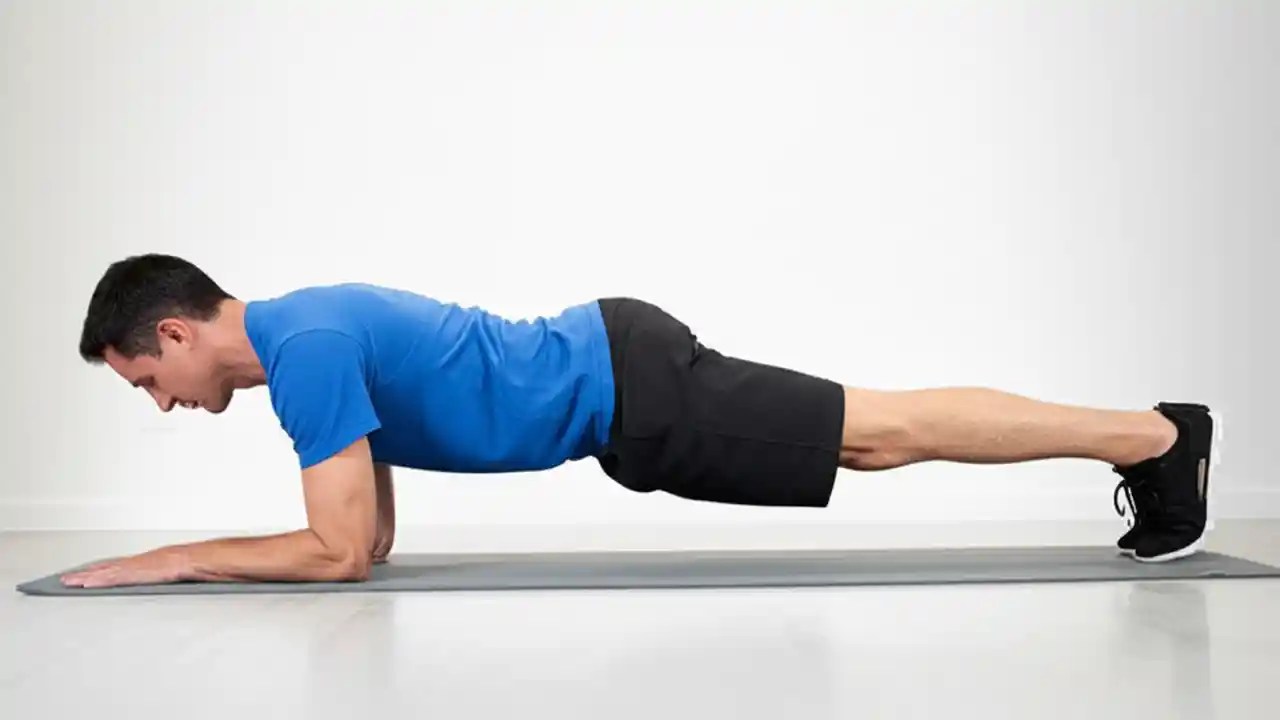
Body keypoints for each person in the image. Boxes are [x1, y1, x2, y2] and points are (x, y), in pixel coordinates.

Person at [60, 254, 1214, 589]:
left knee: (880, 431)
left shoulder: (303, 349)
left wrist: (174, 561)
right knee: (876, 433)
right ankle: (1150, 437)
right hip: (620, 379)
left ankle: (1155, 438)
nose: (163, 404)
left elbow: (331, 556)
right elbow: (361, 544)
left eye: (146, 381)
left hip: (628, 385)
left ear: (171, 334)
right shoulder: (307, 344)